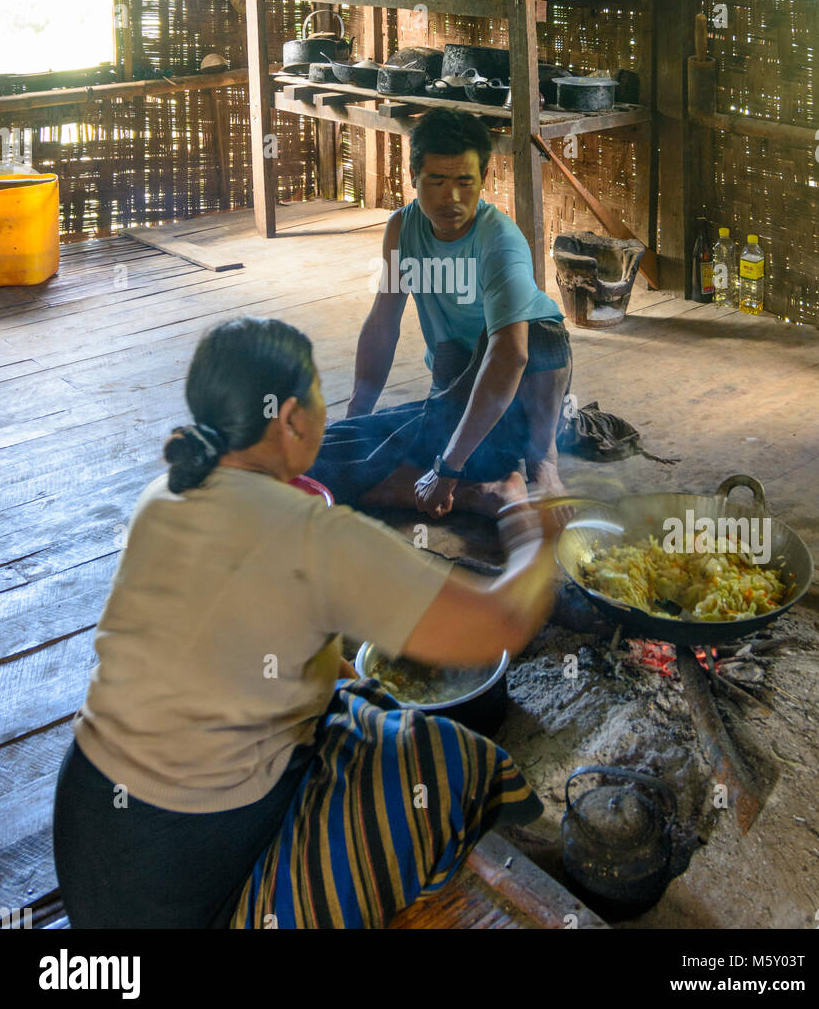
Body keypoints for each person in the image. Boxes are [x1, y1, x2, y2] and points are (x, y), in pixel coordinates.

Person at [52, 316, 563, 930]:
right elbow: (500, 623)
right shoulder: (312, 536)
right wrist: (529, 530)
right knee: (443, 764)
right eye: (320, 394)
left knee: (348, 694)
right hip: (177, 889)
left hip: (87, 836)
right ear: (291, 417)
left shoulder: (164, 495)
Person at [307, 107, 573, 519]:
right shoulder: (402, 229)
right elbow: (383, 323)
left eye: (465, 182)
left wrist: (448, 468)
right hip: (455, 395)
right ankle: (489, 487)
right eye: (437, 181)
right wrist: (358, 414)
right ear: (413, 177)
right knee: (333, 453)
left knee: (540, 334)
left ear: (483, 179)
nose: (451, 198)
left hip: (519, 396)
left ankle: (542, 460)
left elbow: (512, 355)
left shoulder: (499, 240)